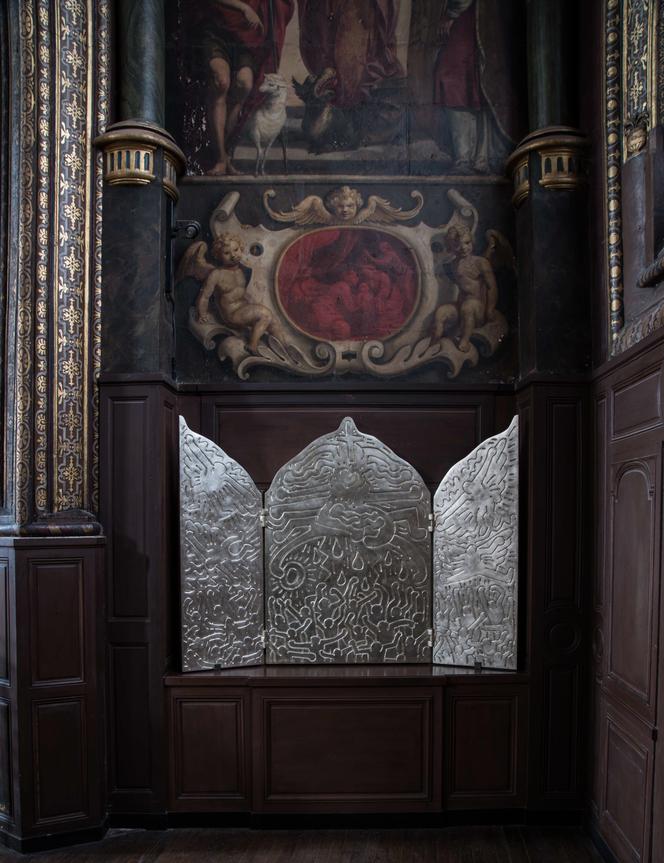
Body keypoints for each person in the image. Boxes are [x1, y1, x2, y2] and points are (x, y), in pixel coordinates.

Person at [200, 0, 294, 174]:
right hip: (217, 28)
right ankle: (220, 158)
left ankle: (226, 152)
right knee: (221, 81)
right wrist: (244, 7)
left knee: (244, 84)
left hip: (245, 36)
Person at [195, 233, 286, 351]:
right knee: (265, 314)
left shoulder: (242, 270)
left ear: (241, 248)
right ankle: (252, 346)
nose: (233, 255)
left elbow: (243, 293)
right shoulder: (217, 274)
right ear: (218, 255)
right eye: (227, 253)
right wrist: (202, 314)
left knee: (274, 321)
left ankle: (284, 349)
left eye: (236, 250)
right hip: (231, 315)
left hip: (244, 310)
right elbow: (205, 296)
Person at [433, 226, 498, 351]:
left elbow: (492, 287)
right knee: (441, 312)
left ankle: (465, 340)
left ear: (472, 241)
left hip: (478, 310)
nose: (463, 247)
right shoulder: (452, 265)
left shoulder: (481, 262)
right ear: (450, 247)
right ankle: (436, 338)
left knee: (468, 307)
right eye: (457, 245)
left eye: (467, 242)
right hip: (461, 306)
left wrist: (490, 309)